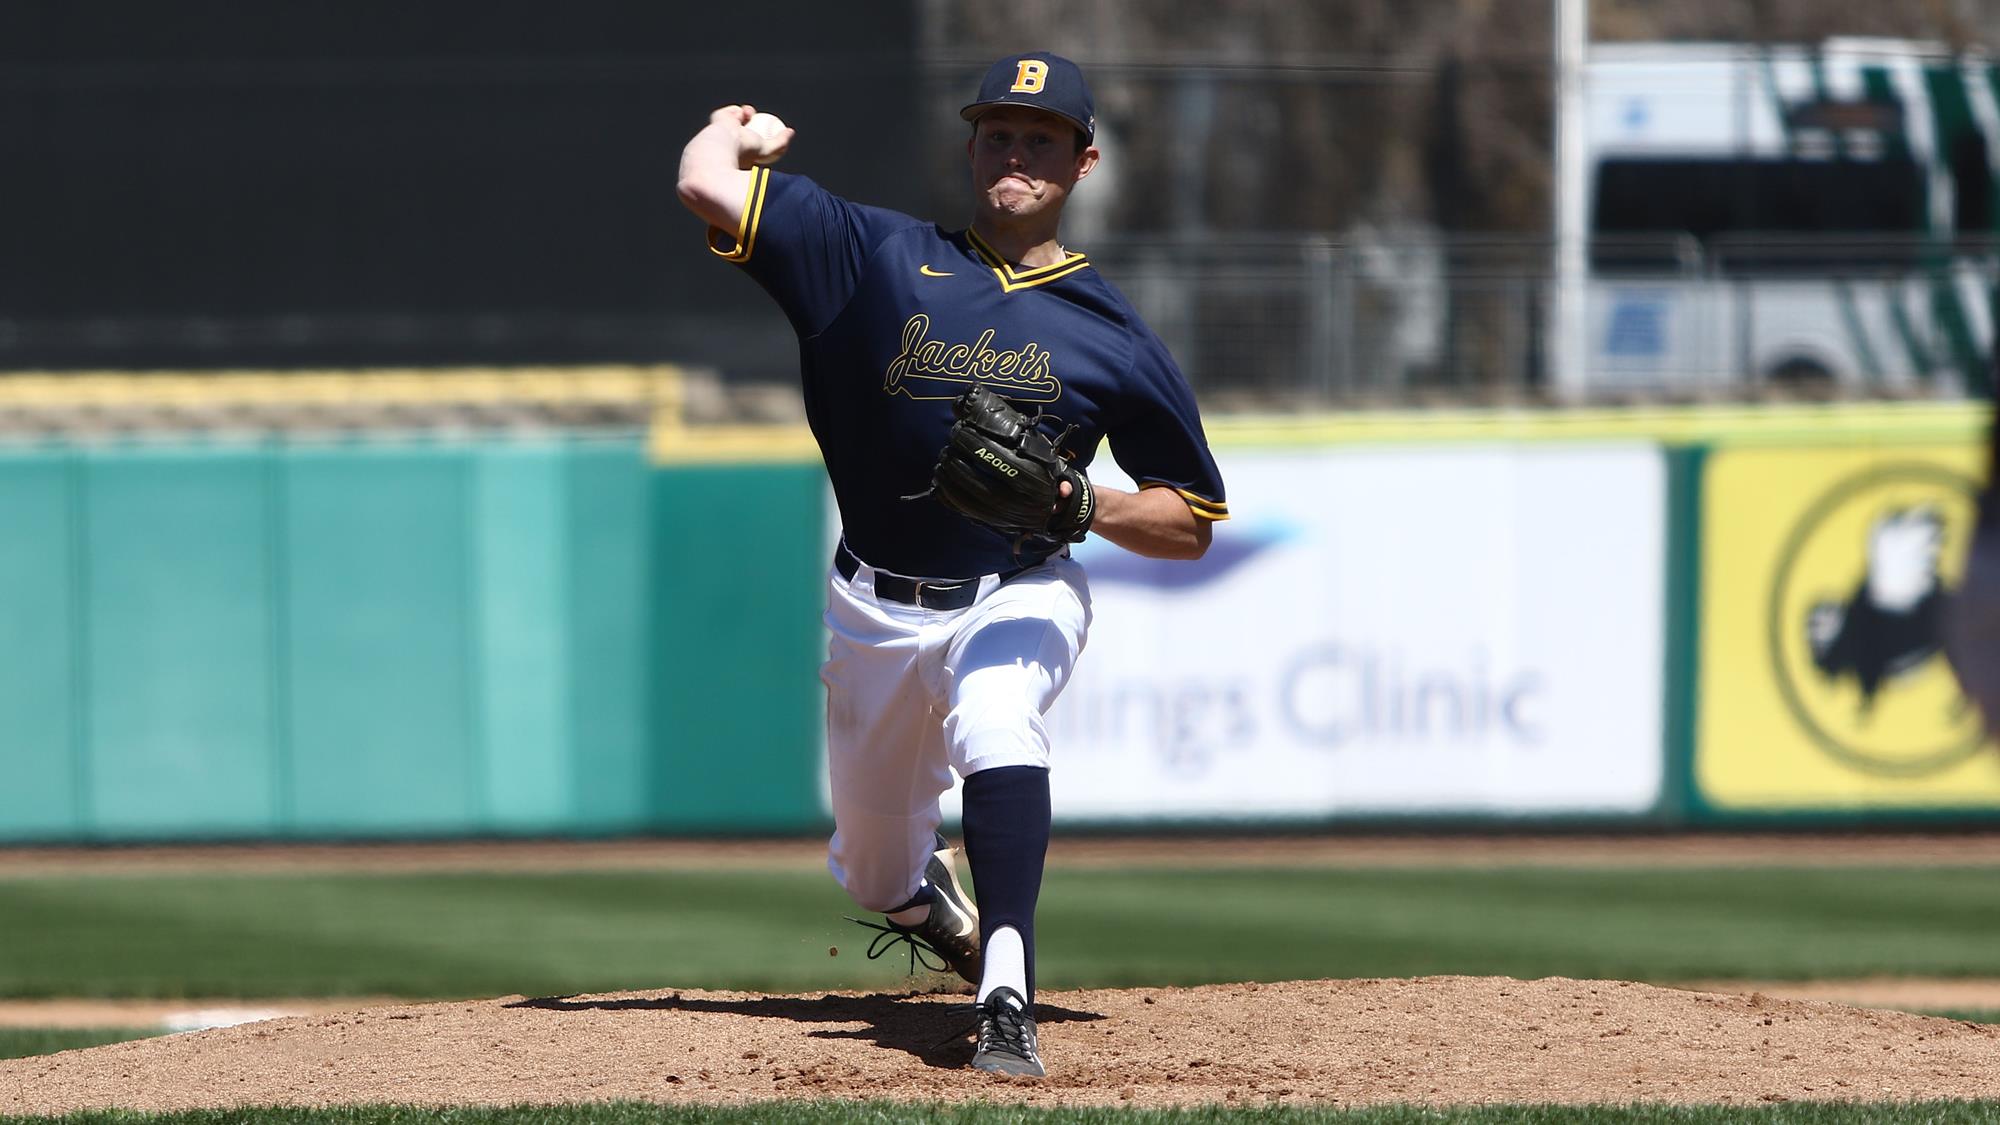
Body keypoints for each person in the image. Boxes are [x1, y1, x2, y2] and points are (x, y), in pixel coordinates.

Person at [676, 51, 1228, 1078]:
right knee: (872, 873)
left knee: (995, 720)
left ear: (1082, 159)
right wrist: (734, 127)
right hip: (873, 611)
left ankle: (1004, 993)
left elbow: (1189, 519)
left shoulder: (1113, 336)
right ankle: (926, 903)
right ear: (970, 145)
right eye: (997, 132)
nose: (1014, 153)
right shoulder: (869, 255)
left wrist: (1083, 502)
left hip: (1017, 588)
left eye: (1041, 137)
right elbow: (704, 181)